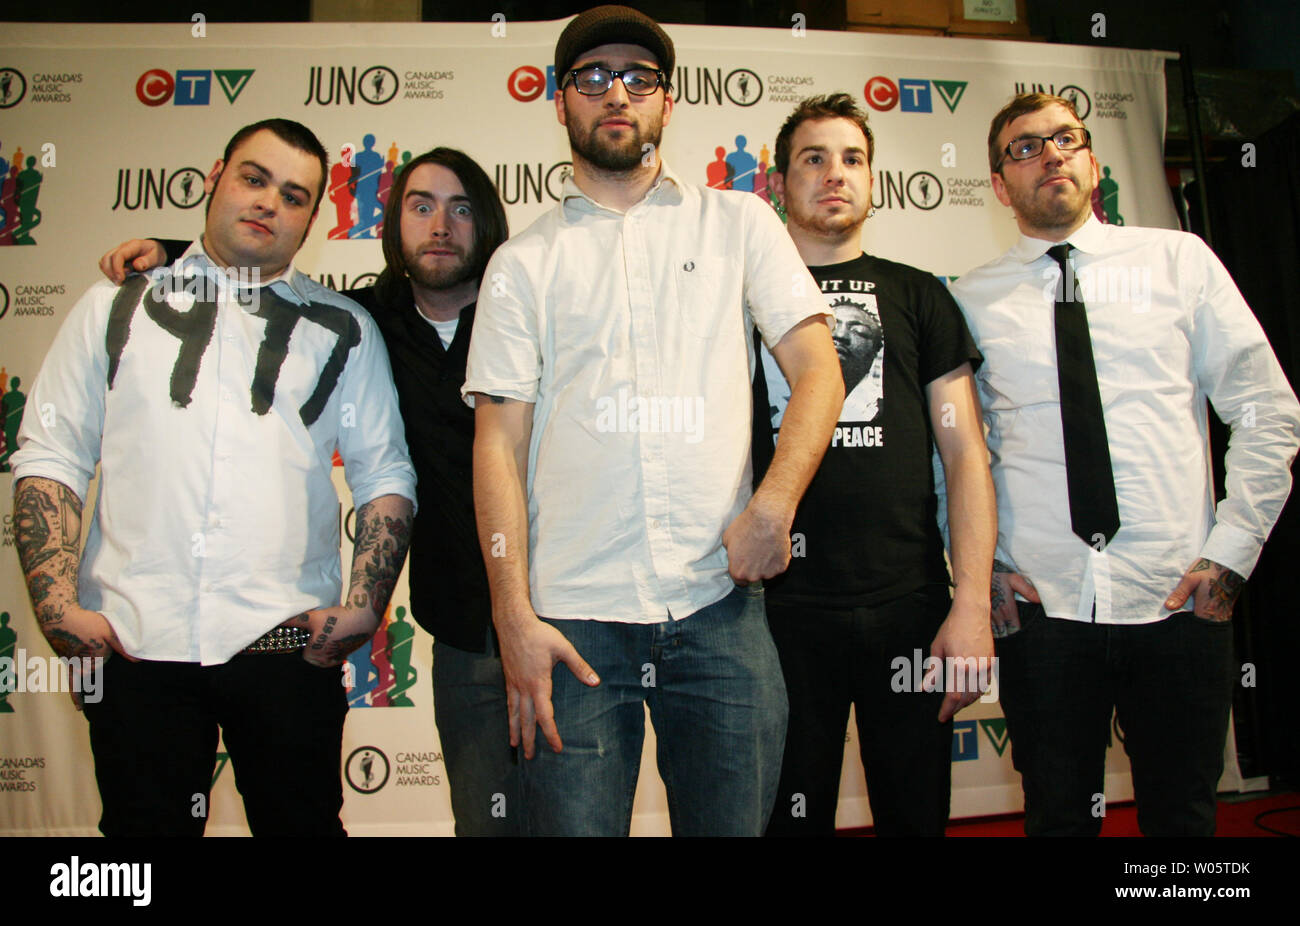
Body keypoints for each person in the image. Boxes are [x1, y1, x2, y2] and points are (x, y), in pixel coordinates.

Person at [463, 5, 843, 837]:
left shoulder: (739, 222)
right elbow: (498, 442)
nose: (616, 94)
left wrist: (774, 506)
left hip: (719, 609)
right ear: (558, 103)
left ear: (668, 103)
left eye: (639, 78)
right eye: (591, 77)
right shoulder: (521, 263)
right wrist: (512, 615)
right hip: (570, 626)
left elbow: (818, 370)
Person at [12, 118, 417, 837]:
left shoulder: (345, 328)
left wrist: (364, 604)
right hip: (135, 646)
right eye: (253, 179)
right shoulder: (113, 306)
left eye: (294, 195)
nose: (268, 203)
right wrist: (54, 606)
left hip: (289, 649)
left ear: (314, 218)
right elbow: (50, 454)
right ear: (215, 177)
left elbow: (384, 470)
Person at [98, 147, 518, 836]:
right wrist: (176, 254)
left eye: (462, 207)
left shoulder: (526, 308)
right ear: (393, 224)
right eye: (422, 206)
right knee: (487, 824)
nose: (441, 225)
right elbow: (257, 285)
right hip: (466, 633)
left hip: (567, 610)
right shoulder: (360, 322)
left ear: (489, 222)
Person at [948, 92, 1300, 835]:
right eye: (1024, 147)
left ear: (1094, 162)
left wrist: (1231, 555)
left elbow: (1268, 410)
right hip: (1043, 611)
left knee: (1184, 825)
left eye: (1066, 140)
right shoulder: (971, 299)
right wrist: (975, 579)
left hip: (1179, 601)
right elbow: (952, 456)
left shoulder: (1179, 262)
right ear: (997, 183)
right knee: (1055, 819)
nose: (1050, 155)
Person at [755, 93, 995, 836]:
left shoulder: (919, 295)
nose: (835, 174)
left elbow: (963, 453)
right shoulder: (743, 298)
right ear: (778, 184)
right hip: (775, 613)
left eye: (852, 159)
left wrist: (973, 605)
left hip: (910, 608)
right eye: (813, 159)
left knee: (914, 819)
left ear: (874, 180)